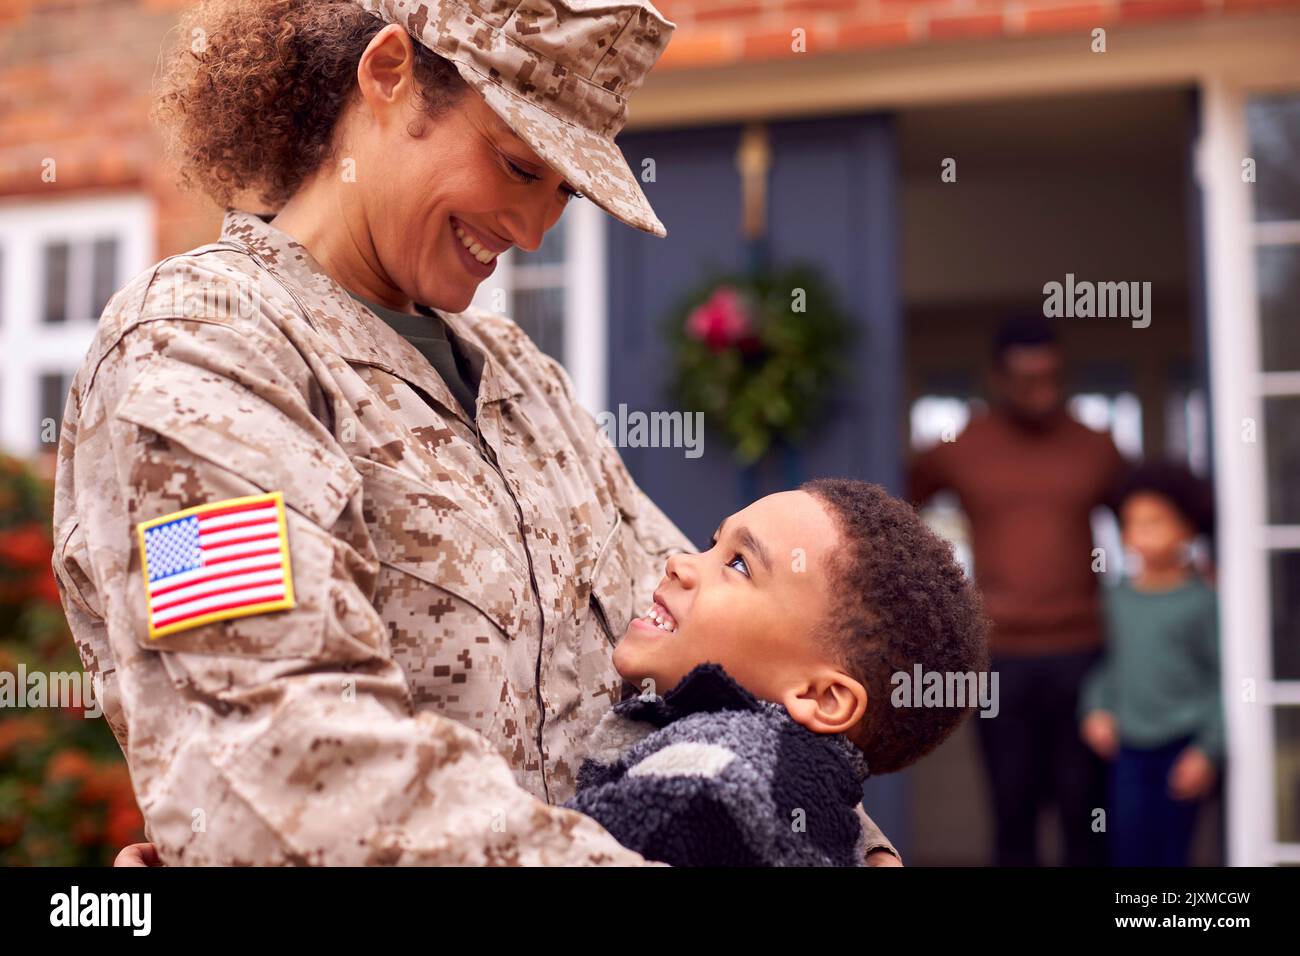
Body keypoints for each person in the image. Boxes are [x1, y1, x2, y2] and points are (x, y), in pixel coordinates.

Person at [51, 0, 901, 865]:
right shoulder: (201, 347)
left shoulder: (524, 380)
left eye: (562, 191)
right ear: (388, 75)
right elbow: (277, 748)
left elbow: (729, 666)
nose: (534, 229)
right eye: (516, 164)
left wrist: (858, 850)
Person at [562, 480, 989, 866]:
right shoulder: (797, 789)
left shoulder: (720, 778)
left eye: (739, 565)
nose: (678, 561)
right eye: (713, 543)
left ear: (823, 698)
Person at [909, 315, 1125, 867]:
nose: (1043, 391)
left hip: (1084, 654)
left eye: (1053, 378)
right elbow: (893, 512)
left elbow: (1149, 523)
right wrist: (934, 598)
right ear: (999, 379)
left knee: (1087, 812)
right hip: (1000, 659)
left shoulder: (1095, 446)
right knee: (1012, 810)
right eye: (1029, 380)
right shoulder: (963, 444)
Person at [1079, 462, 1222, 867]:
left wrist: (1208, 750)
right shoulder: (1117, 598)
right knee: (1126, 848)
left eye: (1154, 522)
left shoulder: (1203, 601)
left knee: (1172, 851)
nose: (1139, 534)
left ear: (1188, 528)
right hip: (1129, 750)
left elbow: (1222, 679)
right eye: (1131, 523)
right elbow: (1111, 665)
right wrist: (1096, 708)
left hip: (1183, 748)